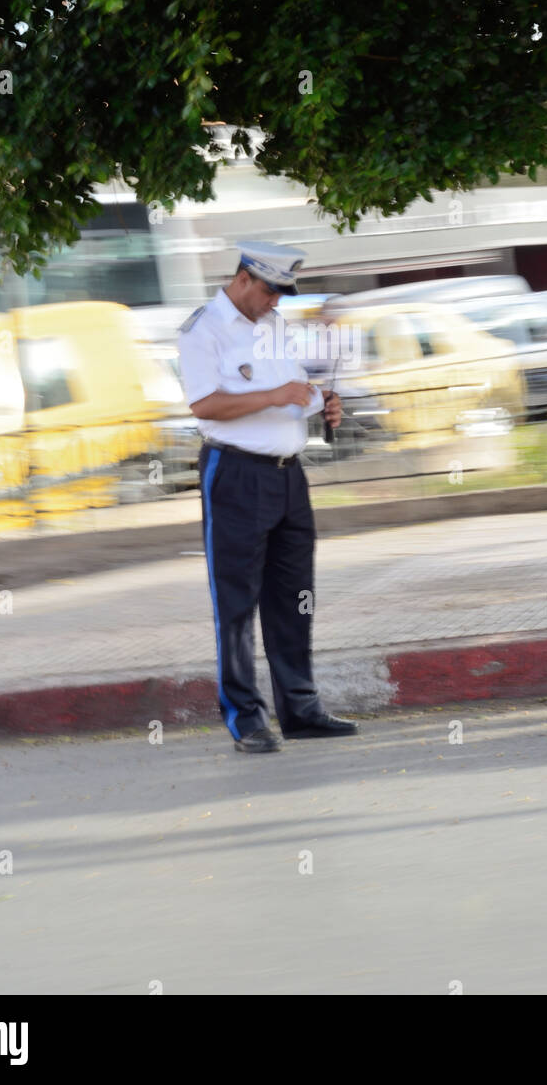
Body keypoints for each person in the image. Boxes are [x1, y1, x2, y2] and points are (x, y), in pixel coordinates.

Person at [178, 240, 359, 753]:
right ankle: (246, 720)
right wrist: (276, 396)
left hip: (288, 476)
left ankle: (300, 710)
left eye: (282, 292)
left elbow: (292, 389)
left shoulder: (274, 326)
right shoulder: (202, 330)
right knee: (236, 604)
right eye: (271, 290)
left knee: (296, 597)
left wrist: (321, 402)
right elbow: (206, 405)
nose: (277, 301)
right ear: (243, 280)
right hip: (235, 476)